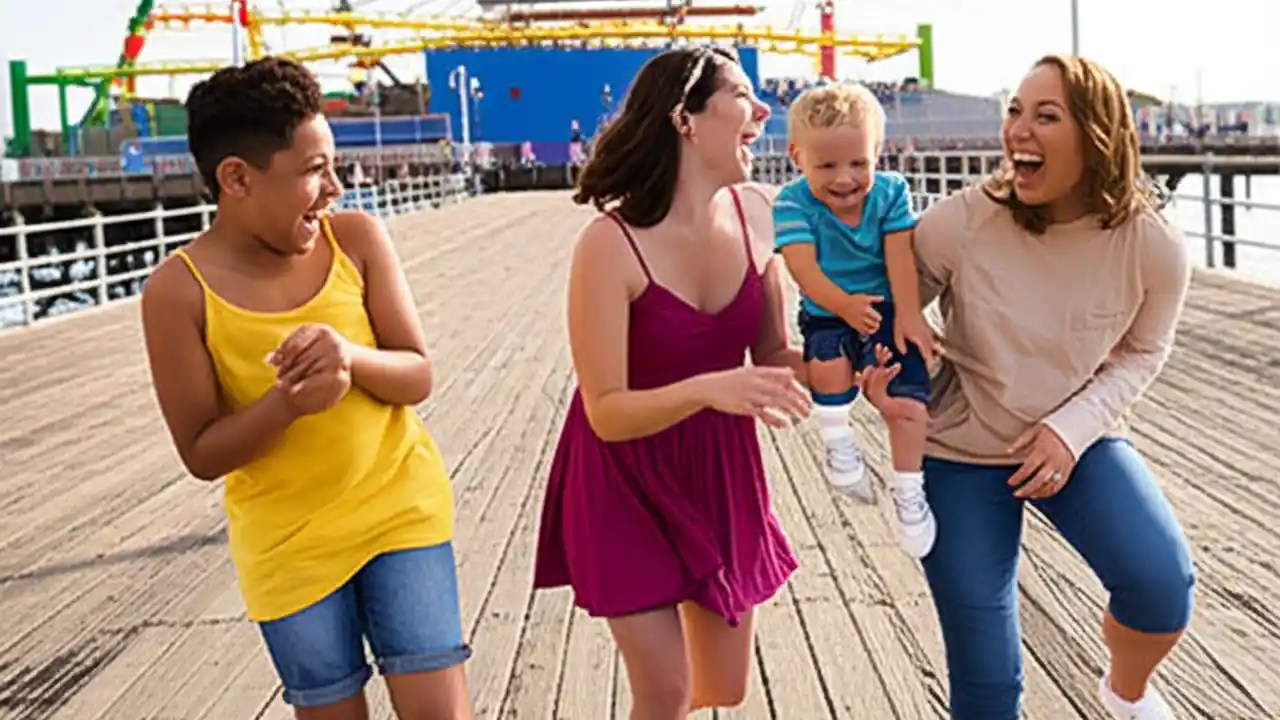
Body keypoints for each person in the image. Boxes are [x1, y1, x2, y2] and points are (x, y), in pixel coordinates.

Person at [856, 55, 1195, 720]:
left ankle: (1124, 694)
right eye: (1015, 111)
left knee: (1161, 587)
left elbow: (1143, 351)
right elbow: (888, 313)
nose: (1019, 131)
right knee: (988, 682)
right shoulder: (961, 220)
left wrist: (1070, 432)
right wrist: (883, 374)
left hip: (1075, 441)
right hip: (958, 451)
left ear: (1098, 133)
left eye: (1046, 116)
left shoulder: (1152, 245)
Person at [139, 57, 473, 720]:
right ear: (236, 178)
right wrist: (287, 402)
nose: (334, 190)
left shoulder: (357, 240)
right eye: (314, 171)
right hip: (287, 547)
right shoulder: (177, 292)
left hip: (398, 511)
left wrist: (350, 359)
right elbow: (202, 452)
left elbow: (417, 371)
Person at [532, 46, 811, 717]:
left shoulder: (758, 217)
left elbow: (774, 353)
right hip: (626, 473)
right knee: (665, 692)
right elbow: (606, 411)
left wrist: (854, 361)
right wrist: (711, 389)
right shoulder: (609, 244)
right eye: (743, 94)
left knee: (723, 689)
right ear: (685, 118)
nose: (764, 109)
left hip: (718, 472)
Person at [771, 82, 938, 559]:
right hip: (828, 307)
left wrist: (909, 315)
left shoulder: (889, 193)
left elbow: (900, 258)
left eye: (858, 164)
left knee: (908, 398)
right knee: (827, 367)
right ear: (797, 157)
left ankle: (907, 488)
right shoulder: (792, 202)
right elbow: (802, 268)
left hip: (884, 306)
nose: (844, 179)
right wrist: (843, 305)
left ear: (877, 154)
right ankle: (837, 438)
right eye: (826, 166)